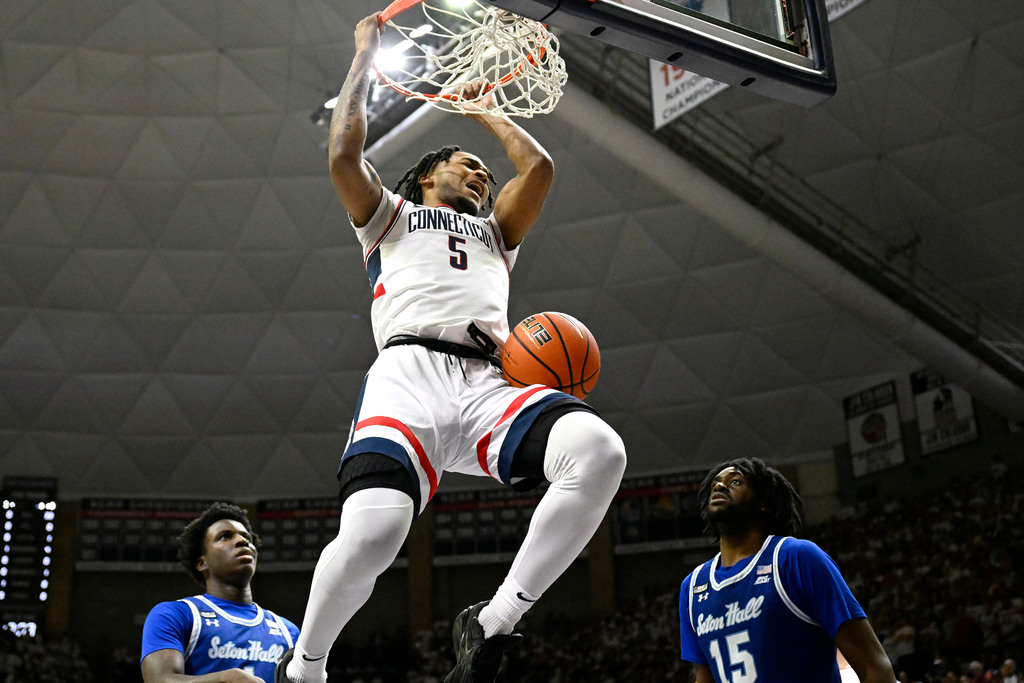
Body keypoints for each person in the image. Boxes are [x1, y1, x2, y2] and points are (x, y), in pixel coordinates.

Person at [275, 12, 627, 683]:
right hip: (407, 376)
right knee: (373, 537)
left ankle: (492, 623)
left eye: (484, 175)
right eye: (465, 166)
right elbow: (344, 154)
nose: (481, 175)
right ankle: (308, 668)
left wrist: (480, 110)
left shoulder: (498, 233)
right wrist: (363, 55)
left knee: (599, 453)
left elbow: (540, 166)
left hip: (490, 383)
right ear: (425, 176)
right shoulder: (391, 216)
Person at [679, 458, 895, 683]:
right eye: (716, 483)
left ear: (763, 502)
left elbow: (876, 669)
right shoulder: (693, 586)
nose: (720, 486)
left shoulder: (797, 558)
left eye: (735, 481)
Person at [141, 502, 300, 682]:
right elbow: (159, 680)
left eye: (246, 537)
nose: (242, 541)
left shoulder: (289, 632)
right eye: (225, 537)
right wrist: (226, 678)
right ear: (202, 563)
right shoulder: (175, 615)